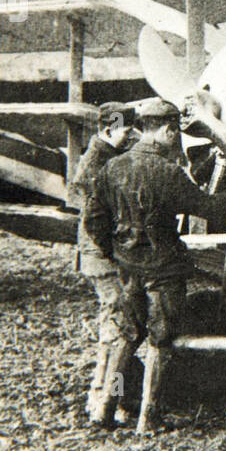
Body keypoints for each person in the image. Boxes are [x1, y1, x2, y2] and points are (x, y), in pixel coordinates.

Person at [82, 98, 226, 433]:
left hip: (128, 267)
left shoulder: (113, 168)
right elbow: (210, 208)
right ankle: (149, 417)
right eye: (176, 132)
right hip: (164, 269)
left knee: (125, 338)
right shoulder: (168, 173)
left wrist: (117, 250)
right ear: (169, 130)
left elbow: (93, 220)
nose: (177, 139)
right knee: (162, 341)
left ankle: (104, 407)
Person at [68, 102, 135, 419]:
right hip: (104, 258)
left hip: (100, 256)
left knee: (117, 328)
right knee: (118, 331)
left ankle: (111, 398)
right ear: (108, 130)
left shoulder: (105, 156)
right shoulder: (97, 164)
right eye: (126, 129)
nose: (131, 134)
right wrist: (118, 254)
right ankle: (104, 402)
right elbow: (97, 222)